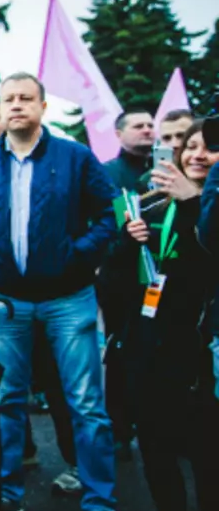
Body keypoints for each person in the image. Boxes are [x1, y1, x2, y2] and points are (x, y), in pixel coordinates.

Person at [0, 72, 129, 511]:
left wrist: (77, 254)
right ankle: (6, 494)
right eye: (8, 99)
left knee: (86, 405)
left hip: (69, 300)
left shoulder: (74, 157)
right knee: (7, 400)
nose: (15, 106)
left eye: (25, 98)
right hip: (7, 302)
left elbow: (110, 212)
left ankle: (102, 506)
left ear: (42, 106)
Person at [119, 121, 218, 511]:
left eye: (208, 149)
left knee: (206, 453)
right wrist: (128, 239)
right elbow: (125, 278)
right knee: (155, 442)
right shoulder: (156, 204)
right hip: (151, 340)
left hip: (198, 348)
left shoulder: (207, 206)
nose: (195, 154)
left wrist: (196, 201)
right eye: (188, 146)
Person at [101, 109, 156, 462]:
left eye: (152, 125)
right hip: (121, 278)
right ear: (120, 134)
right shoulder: (107, 175)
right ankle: (119, 430)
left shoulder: (169, 172)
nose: (148, 130)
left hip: (163, 278)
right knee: (121, 353)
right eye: (139, 126)